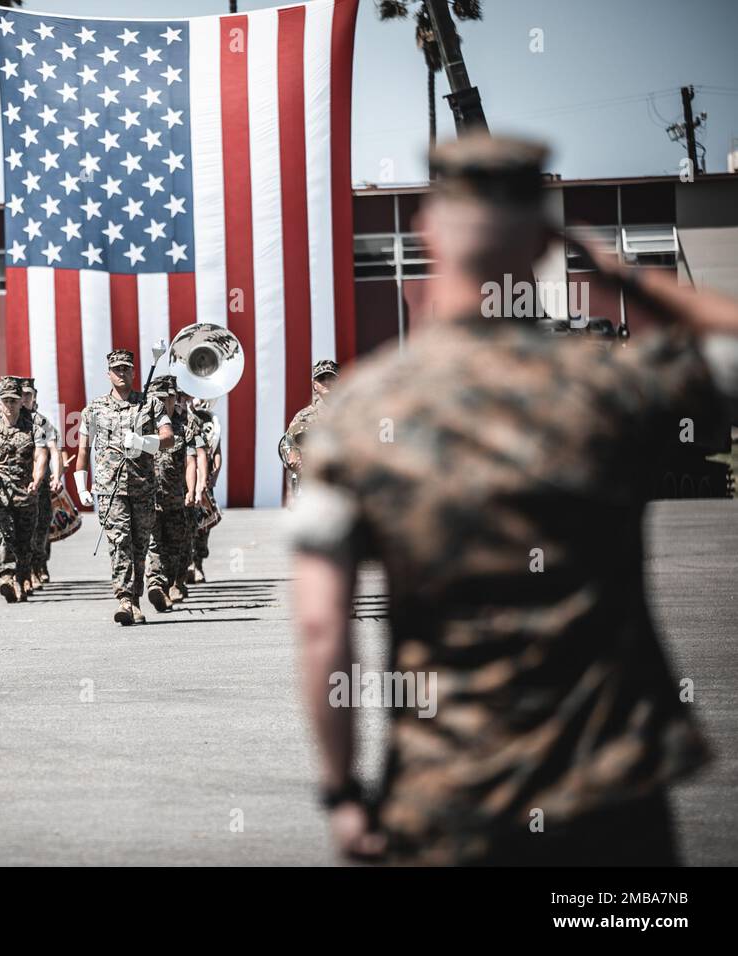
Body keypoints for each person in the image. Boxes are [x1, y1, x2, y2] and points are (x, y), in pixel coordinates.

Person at [289, 132, 738, 866]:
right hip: (609, 798)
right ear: (542, 243)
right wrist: (624, 273)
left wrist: (341, 793)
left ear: (426, 230)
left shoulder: (359, 413)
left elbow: (319, 628)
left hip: (443, 798)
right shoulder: (613, 386)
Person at [74, 349, 174, 625]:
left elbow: (169, 438)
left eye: (126, 369)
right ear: (108, 374)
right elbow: (83, 448)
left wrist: (145, 442)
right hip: (110, 488)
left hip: (143, 487)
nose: (121, 373)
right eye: (116, 369)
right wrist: (81, 484)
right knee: (120, 543)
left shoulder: (150, 404)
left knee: (140, 546)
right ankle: (124, 599)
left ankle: (136, 599)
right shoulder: (94, 409)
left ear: (133, 372)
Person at [0, 375, 47, 602]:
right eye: (5, 400)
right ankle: (6, 576)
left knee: (25, 544)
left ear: (20, 402)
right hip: (0, 496)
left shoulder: (34, 430)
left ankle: (21, 579)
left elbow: (41, 456)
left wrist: (36, 479)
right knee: (4, 537)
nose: (9, 405)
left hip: (25, 496)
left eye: (14, 400)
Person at [144, 375, 202, 612]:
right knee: (155, 545)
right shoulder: (143, 427)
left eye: (166, 398)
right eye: (157, 398)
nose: (162, 403)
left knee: (175, 547)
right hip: (149, 498)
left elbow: (190, 462)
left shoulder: (184, 430)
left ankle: (168, 585)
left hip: (176, 499)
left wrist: (191, 490)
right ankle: (155, 584)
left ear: (173, 399)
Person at [22, 377, 62, 587]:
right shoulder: (5, 422)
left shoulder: (43, 423)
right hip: (16, 485)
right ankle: (25, 571)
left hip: (41, 487)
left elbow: (55, 452)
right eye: (21, 394)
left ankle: (38, 565)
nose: (24, 398)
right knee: (21, 531)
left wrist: (56, 476)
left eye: (28, 394)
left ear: (34, 396)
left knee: (41, 528)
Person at [279, 359, 339, 488]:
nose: (327, 382)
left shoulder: (350, 413)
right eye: (322, 378)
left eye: (331, 378)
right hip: (313, 482)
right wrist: (292, 457)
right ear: (315, 385)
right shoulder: (303, 417)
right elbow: (287, 443)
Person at [187, 398, 221, 584]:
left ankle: (198, 564)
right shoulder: (181, 416)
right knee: (186, 525)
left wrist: (214, 476)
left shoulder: (209, 421)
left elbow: (217, 451)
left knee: (203, 525)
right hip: (186, 476)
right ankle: (187, 565)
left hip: (204, 479)